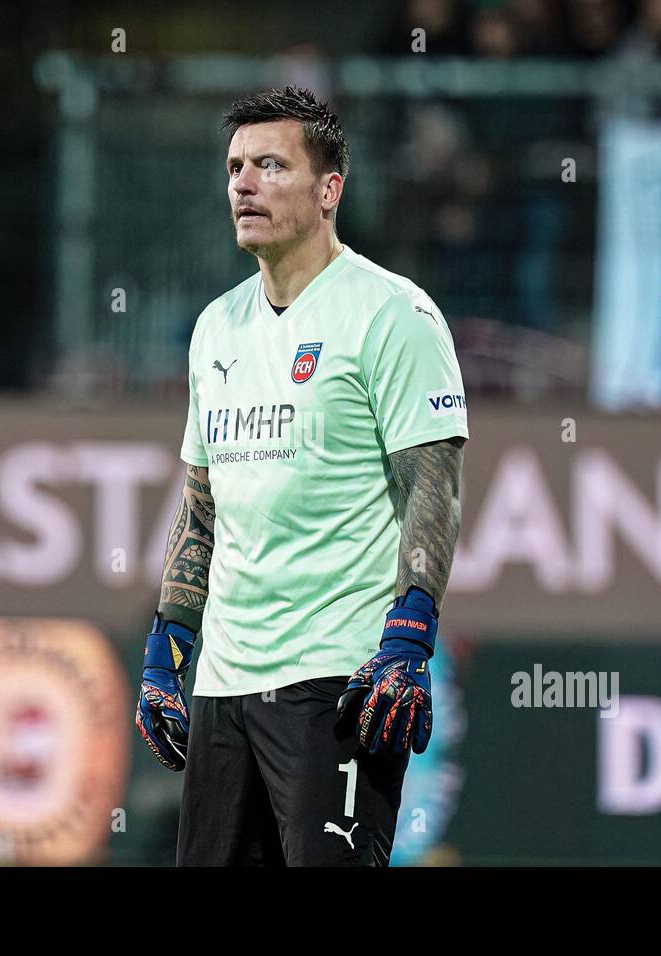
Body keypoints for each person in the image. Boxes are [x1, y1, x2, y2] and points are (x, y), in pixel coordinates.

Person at [135, 86, 469, 866]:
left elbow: (433, 486)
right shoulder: (216, 327)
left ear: (329, 191)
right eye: (235, 167)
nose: (244, 184)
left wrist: (410, 635)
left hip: (338, 683)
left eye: (271, 165)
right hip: (224, 686)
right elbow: (202, 508)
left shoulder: (393, 314)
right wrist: (167, 646)